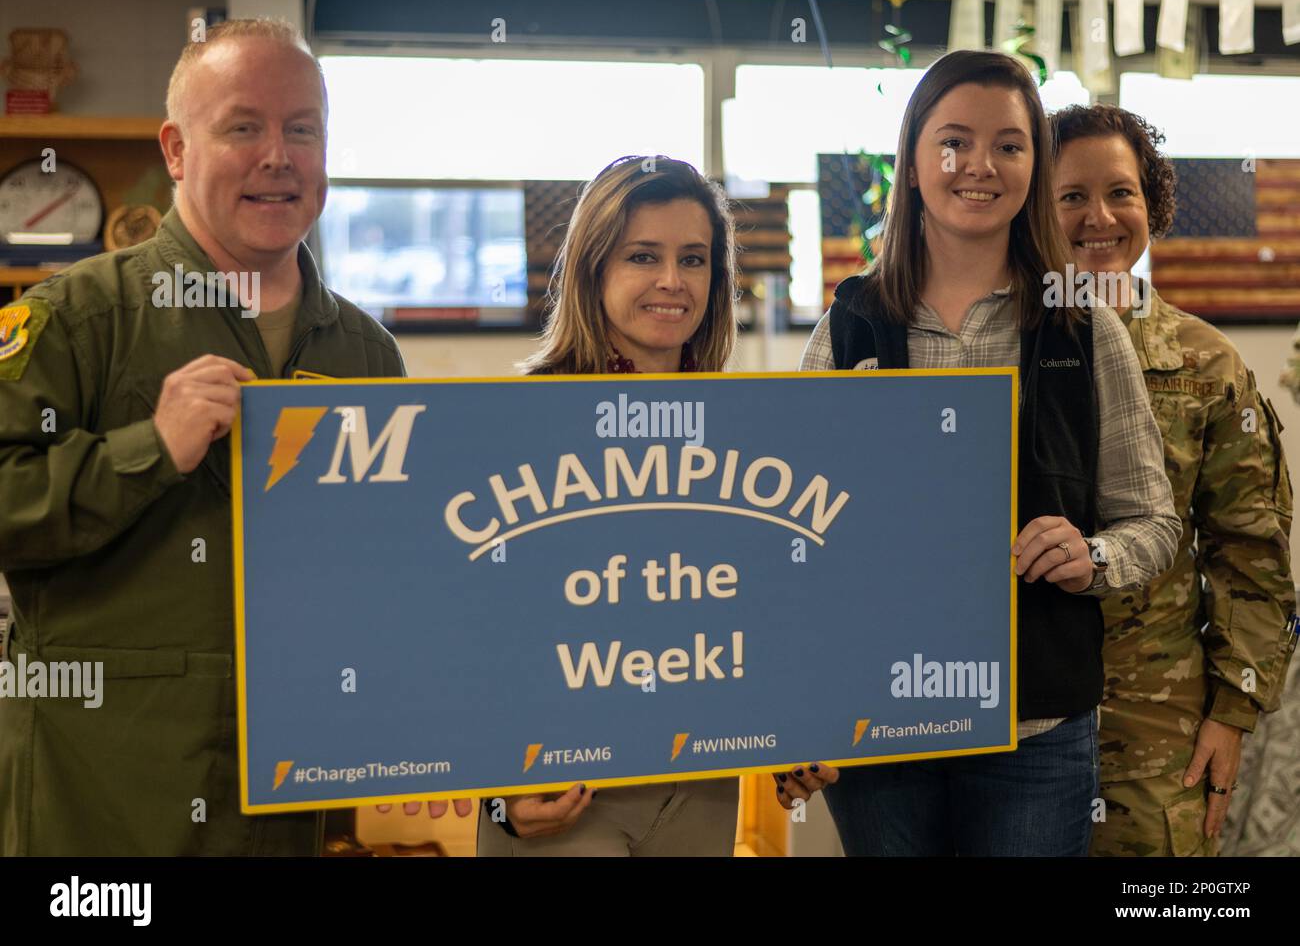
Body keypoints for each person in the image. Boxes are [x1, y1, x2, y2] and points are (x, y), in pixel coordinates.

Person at [0, 18, 467, 855]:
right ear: (177, 151)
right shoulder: (77, 318)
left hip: (288, 795)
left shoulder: (365, 352)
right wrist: (147, 451)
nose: (278, 157)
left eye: (302, 130)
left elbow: (389, 575)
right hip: (100, 800)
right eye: (243, 127)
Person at [788, 50, 1180, 856]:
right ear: (912, 164)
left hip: (1036, 728)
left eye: (1008, 144)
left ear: (1034, 167)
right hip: (879, 719)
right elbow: (795, 539)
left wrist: (1092, 555)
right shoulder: (850, 326)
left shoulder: (1086, 328)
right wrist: (802, 704)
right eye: (953, 142)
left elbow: (1153, 522)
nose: (980, 165)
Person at [475, 155, 740, 855]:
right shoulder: (514, 422)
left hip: (705, 785)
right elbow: (467, 627)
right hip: (562, 790)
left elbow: (767, 607)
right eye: (642, 256)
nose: (672, 281)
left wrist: (804, 735)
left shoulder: (742, 424)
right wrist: (497, 797)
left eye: (694, 259)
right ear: (593, 269)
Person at [1049, 104, 1296, 857]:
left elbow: (1250, 553)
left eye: (1120, 192)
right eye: (1071, 196)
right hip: (1014, 727)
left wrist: (1233, 712)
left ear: (1151, 204)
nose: (1099, 217)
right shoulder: (996, 350)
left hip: (1157, 735)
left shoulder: (1206, 365)